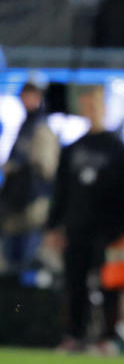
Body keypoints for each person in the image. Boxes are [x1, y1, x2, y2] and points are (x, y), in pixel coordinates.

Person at [44, 85, 124, 354]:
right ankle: (74, 335)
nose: (91, 110)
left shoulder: (117, 149)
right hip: (76, 226)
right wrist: (54, 226)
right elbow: (60, 190)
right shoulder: (72, 148)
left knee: (110, 284)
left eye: (95, 104)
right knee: (74, 283)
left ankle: (106, 337)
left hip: (108, 229)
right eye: (86, 105)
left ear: (104, 107)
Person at [0, 82, 59, 272]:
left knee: (25, 266)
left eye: (29, 96)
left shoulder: (42, 128)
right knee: (12, 264)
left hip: (32, 207)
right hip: (15, 206)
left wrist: (21, 171)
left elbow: (47, 170)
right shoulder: (26, 125)